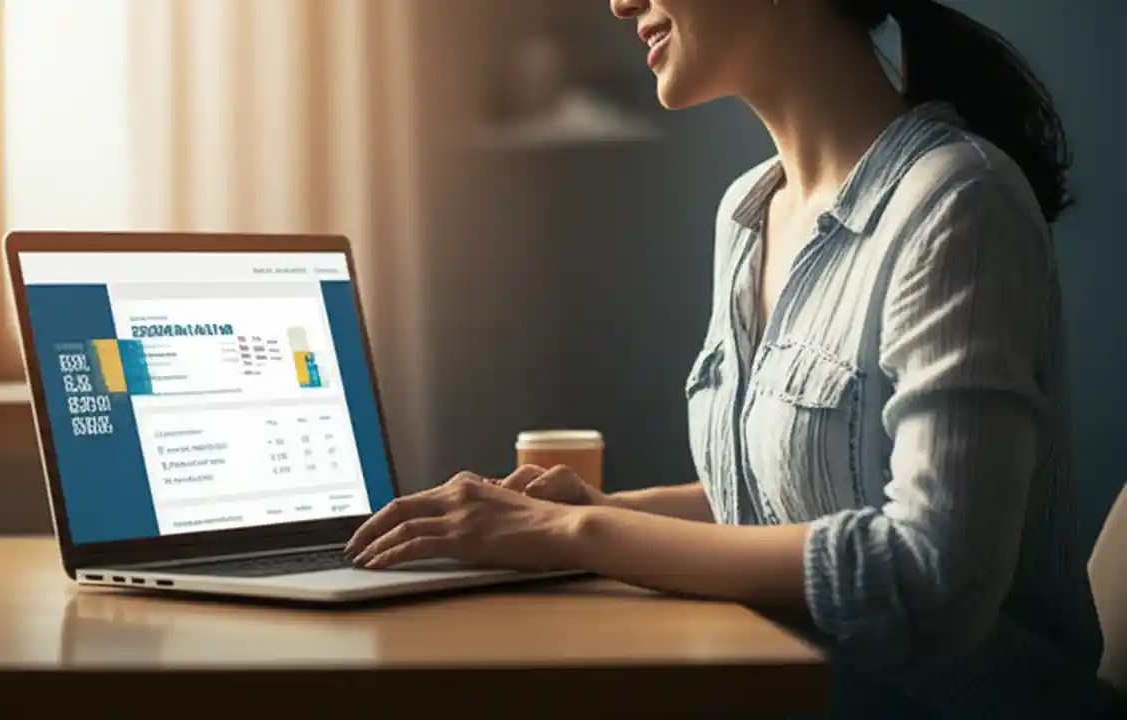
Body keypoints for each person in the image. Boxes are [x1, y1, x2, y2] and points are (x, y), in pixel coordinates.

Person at [345, 1, 1115, 716]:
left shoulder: (957, 200)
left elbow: (931, 576)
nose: (619, 1)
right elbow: (783, 501)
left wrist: (577, 538)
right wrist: (586, 510)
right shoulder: (748, 214)